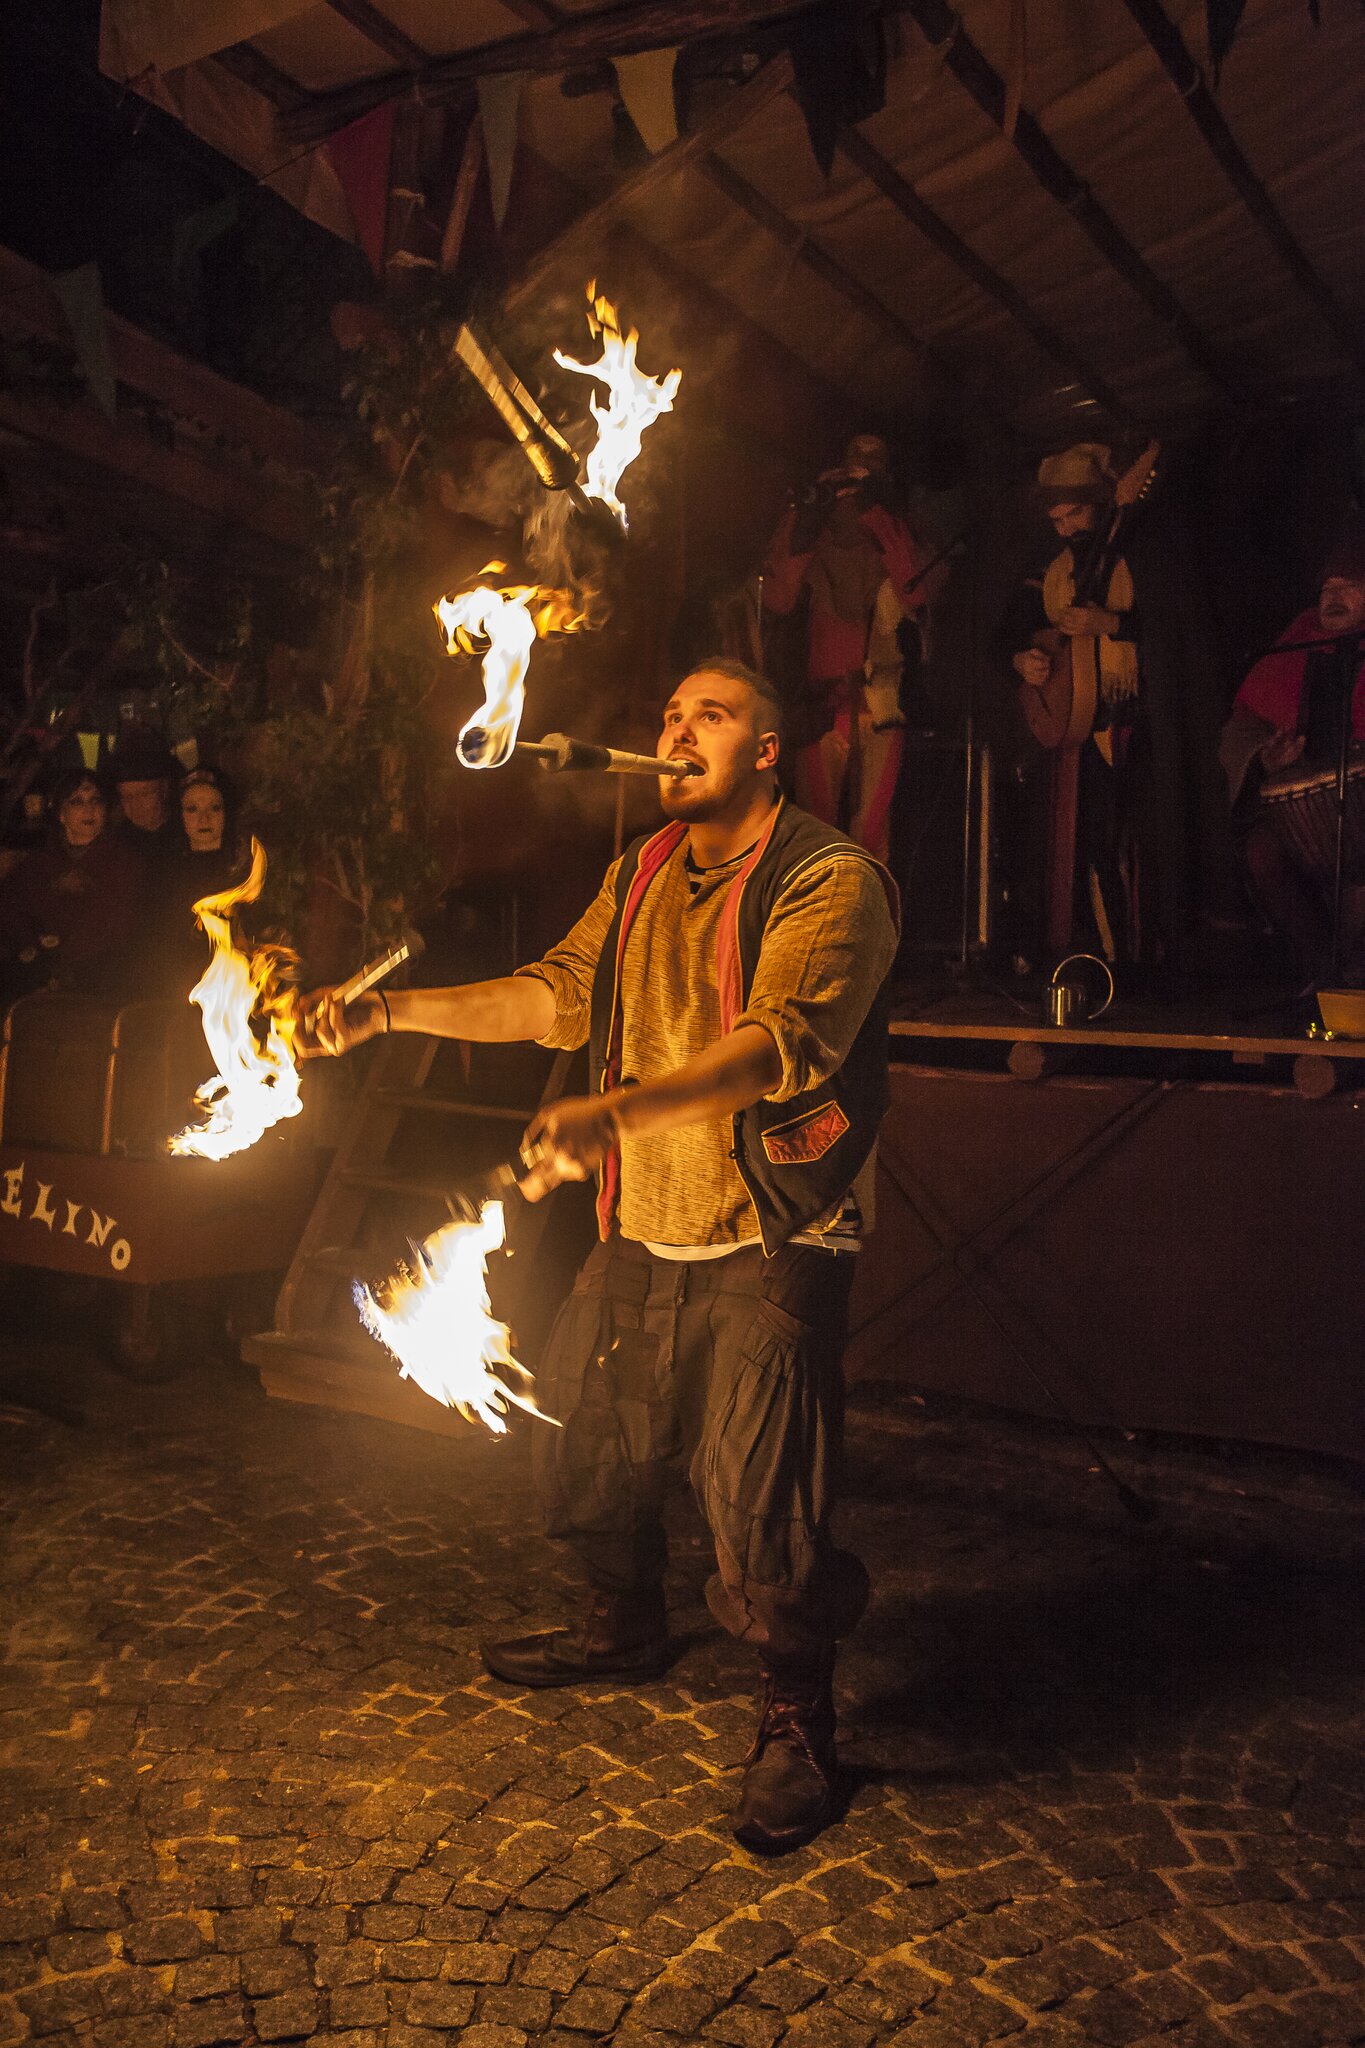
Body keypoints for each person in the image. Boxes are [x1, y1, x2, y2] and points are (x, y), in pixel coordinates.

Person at [303, 658, 899, 1854]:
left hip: (772, 1225)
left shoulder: (834, 881)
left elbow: (773, 1049)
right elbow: (551, 995)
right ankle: (622, 1623)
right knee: (588, 1426)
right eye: (669, 713)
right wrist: (383, 1012)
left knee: (758, 1496)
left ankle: (797, 1717)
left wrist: (610, 1115)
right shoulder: (635, 875)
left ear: (768, 750)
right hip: (643, 1218)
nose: (677, 732)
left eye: (712, 716)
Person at [1006, 442, 1226, 978]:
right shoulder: (1055, 568)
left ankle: (1160, 961)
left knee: (1152, 843)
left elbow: (1186, 636)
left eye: (1075, 514)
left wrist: (1115, 626)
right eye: (1055, 519)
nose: (1064, 530)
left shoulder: (1151, 553)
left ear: (1104, 503)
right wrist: (1022, 659)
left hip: (1146, 717)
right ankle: (1102, 958)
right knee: (1093, 846)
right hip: (1082, 726)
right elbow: (1010, 632)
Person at [762, 434, 942, 862]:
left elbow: (915, 591)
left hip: (883, 702)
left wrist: (879, 511)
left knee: (873, 834)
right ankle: (812, 923)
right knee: (813, 832)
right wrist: (810, 514)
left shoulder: (899, 526)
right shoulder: (813, 524)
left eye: (872, 467)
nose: (859, 476)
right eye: (855, 466)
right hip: (822, 704)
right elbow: (778, 598)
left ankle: (868, 925)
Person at [1220, 529, 1365, 985]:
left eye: (1350, 586)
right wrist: (1266, 759)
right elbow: (1244, 724)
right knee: (1262, 853)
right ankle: (1322, 970)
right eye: (1328, 588)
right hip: (1307, 809)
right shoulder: (1295, 642)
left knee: (1358, 870)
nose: (1334, 596)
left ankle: (1353, 978)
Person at [0, 767, 141, 1002]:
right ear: (61, 813)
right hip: (33, 977)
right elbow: (10, 910)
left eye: (95, 800)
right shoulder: (38, 863)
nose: (89, 809)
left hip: (97, 980)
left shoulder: (124, 862)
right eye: (77, 802)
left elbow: (114, 923)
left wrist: (65, 970)